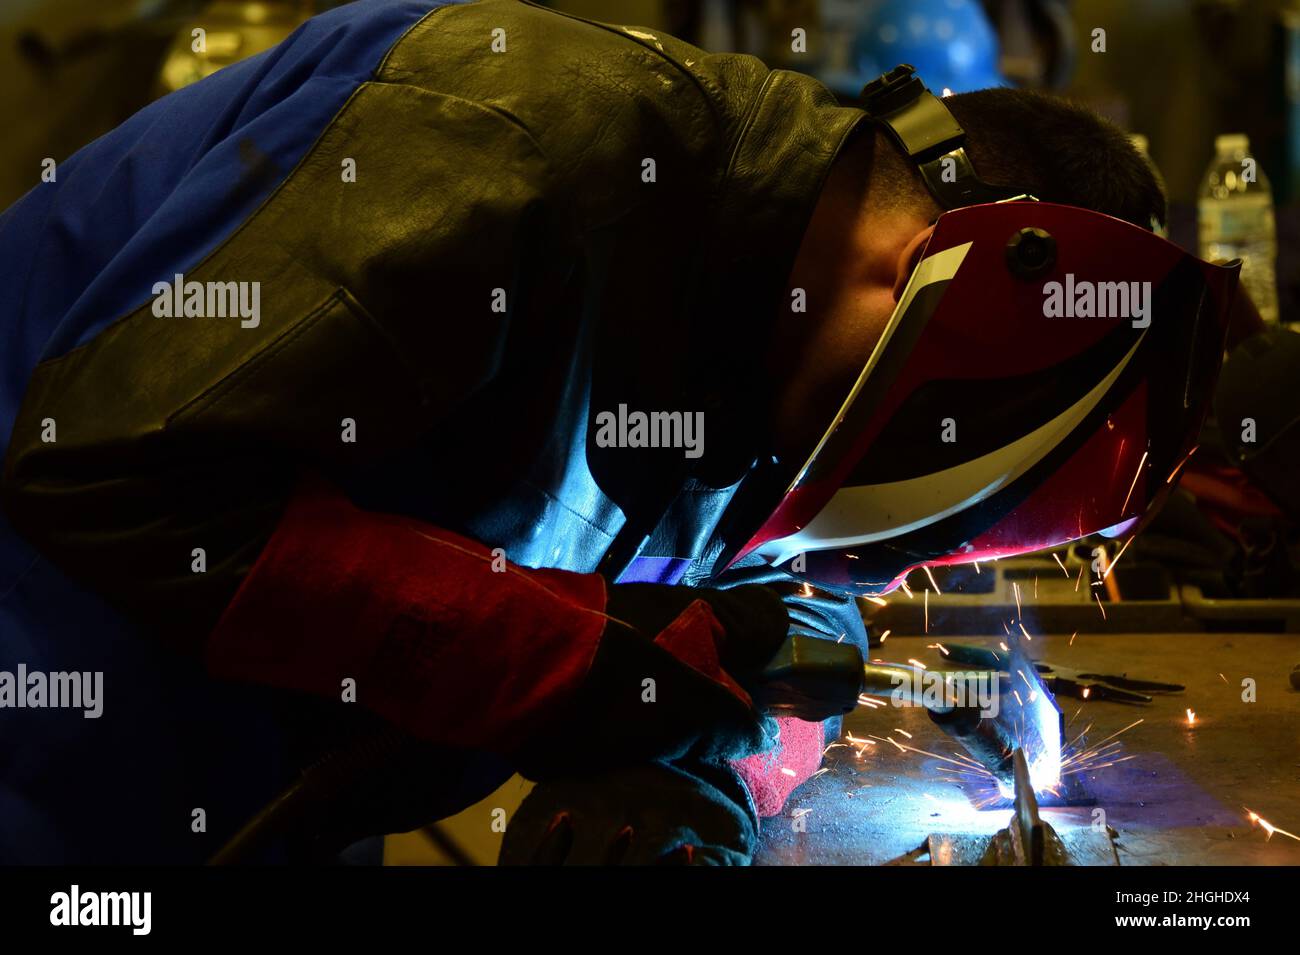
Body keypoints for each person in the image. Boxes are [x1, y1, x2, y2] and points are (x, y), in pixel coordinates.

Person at [0, 0, 1237, 864]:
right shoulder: (512, 130)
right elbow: (125, 482)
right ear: (931, 277)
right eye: (928, 509)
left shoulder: (787, 356)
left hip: (268, 766)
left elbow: (778, 626)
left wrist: (692, 783)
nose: (894, 564)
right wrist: (581, 669)